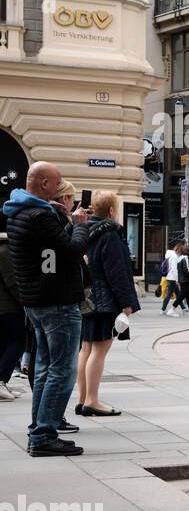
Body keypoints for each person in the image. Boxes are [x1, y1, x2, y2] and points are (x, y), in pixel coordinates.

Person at [2, 161, 91, 456]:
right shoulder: (40, 216)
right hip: (57, 301)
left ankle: (39, 429)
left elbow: (49, 252)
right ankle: (43, 435)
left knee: (44, 368)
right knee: (61, 370)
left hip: (36, 301)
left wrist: (61, 220)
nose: (59, 186)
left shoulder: (19, 212)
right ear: (43, 184)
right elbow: (71, 252)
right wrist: (78, 226)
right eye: (57, 182)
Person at [75, 191, 138, 417]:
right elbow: (117, 273)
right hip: (105, 300)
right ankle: (92, 400)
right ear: (111, 211)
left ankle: (82, 399)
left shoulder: (83, 230)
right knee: (99, 350)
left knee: (86, 349)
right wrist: (126, 303)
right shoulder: (109, 235)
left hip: (87, 298)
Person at [0, 217, 27, 402]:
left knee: (4, 343)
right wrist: (25, 301)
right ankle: (1, 379)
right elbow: (12, 281)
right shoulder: (5, 249)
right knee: (19, 341)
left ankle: (2, 382)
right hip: (8, 306)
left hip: (4, 306)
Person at [160, 242, 182, 315]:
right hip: (172, 278)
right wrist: (176, 279)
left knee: (178, 294)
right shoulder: (174, 257)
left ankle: (184, 308)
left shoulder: (170, 256)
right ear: (178, 250)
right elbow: (174, 269)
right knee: (169, 294)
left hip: (169, 277)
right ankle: (163, 309)